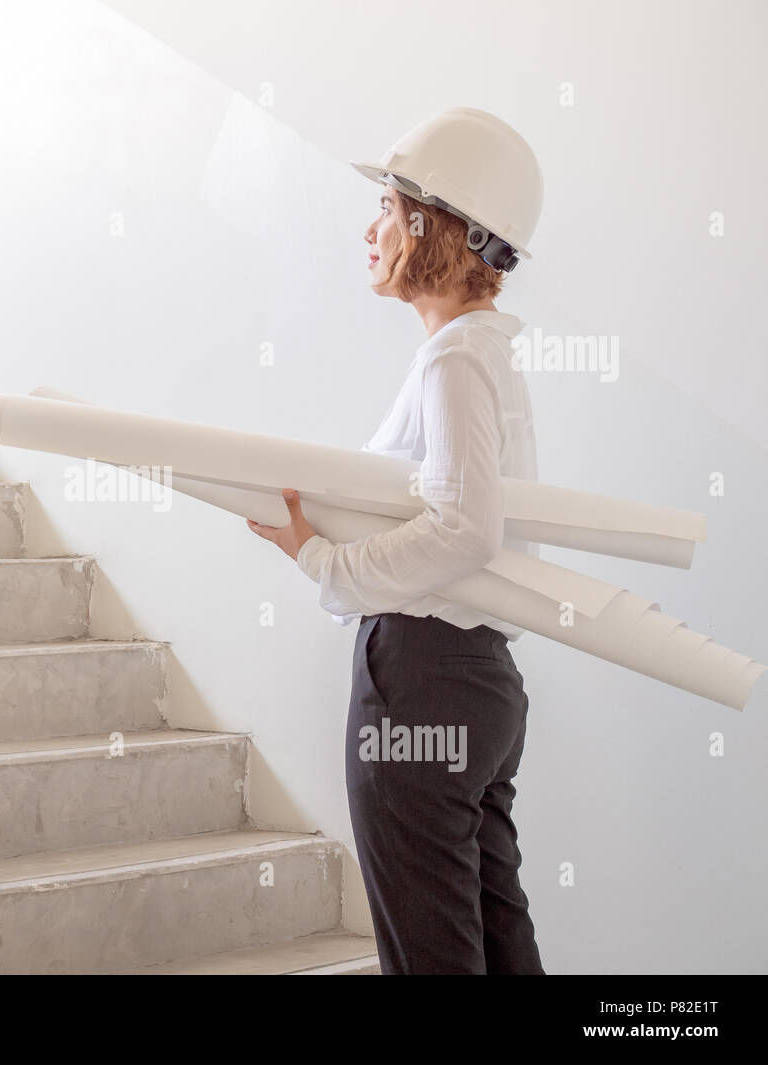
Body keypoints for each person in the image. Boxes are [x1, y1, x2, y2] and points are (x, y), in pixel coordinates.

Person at [247, 108, 546, 974]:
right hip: (481, 683)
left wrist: (321, 559)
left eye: (387, 206)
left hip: (420, 679)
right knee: (495, 940)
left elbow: (464, 527)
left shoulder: (454, 359)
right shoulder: (487, 354)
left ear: (432, 223)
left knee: (433, 957)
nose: (370, 229)